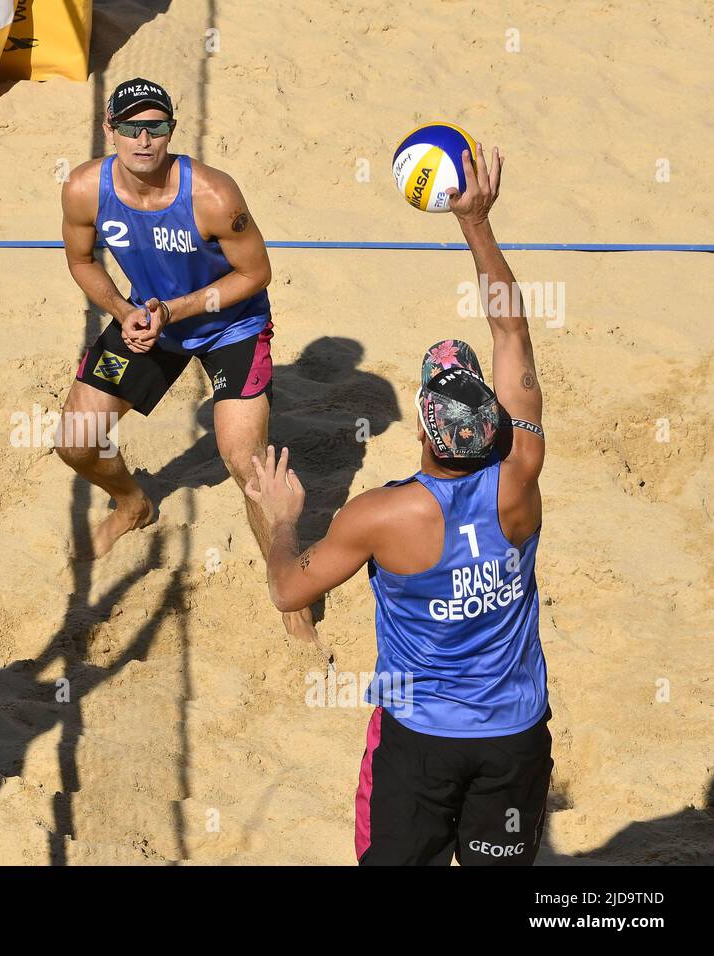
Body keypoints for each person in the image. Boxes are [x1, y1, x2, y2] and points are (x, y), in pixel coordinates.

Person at [246, 144, 553, 865]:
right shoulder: (522, 471)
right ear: (497, 419)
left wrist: (284, 520)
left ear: (422, 427)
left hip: (419, 745)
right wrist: (476, 223)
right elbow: (511, 328)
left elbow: (289, 586)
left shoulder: (379, 518)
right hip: (514, 735)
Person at [55, 77, 318, 642]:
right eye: (130, 127)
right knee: (75, 441)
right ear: (110, 130)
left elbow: (256, 274)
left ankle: (291, 593)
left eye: (155, 127)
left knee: (244, 465)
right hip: (149, 322)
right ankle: (132, 505)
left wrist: (173, 310)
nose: (143, 139)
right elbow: (81, 262)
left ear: (172, 132)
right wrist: (124, 310)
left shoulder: (214, 195)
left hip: (230, 325)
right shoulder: (83, 189)